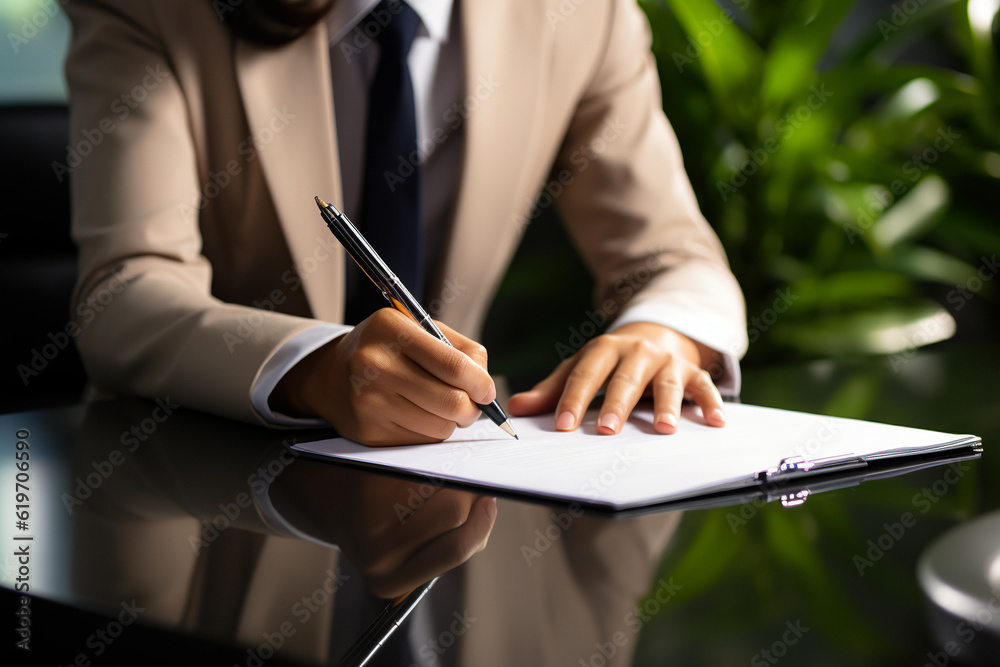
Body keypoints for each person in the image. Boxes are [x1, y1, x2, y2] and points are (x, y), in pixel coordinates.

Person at [64, 0, 747, 449]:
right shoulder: (148, 9)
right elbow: (124, 295)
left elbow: (673, 257)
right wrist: (312, 368)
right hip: (206, 497)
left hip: (456, 492)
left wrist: (663, 331)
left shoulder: (583, 14)